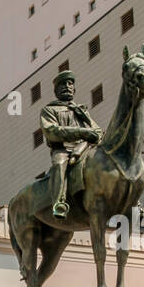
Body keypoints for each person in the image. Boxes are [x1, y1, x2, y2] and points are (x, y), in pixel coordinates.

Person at [40, 69, 102, 219]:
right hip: (63, 149)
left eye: (70, 83)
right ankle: (59, 203)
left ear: (74, 88)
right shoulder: (49, 110)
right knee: (59, 164)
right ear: (56, 90)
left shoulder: (81, 110)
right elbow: (52, 131)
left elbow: (97, 130)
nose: (67, 86)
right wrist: (82, 132)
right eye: (62, 84)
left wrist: (94, 135)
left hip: (85, 148)